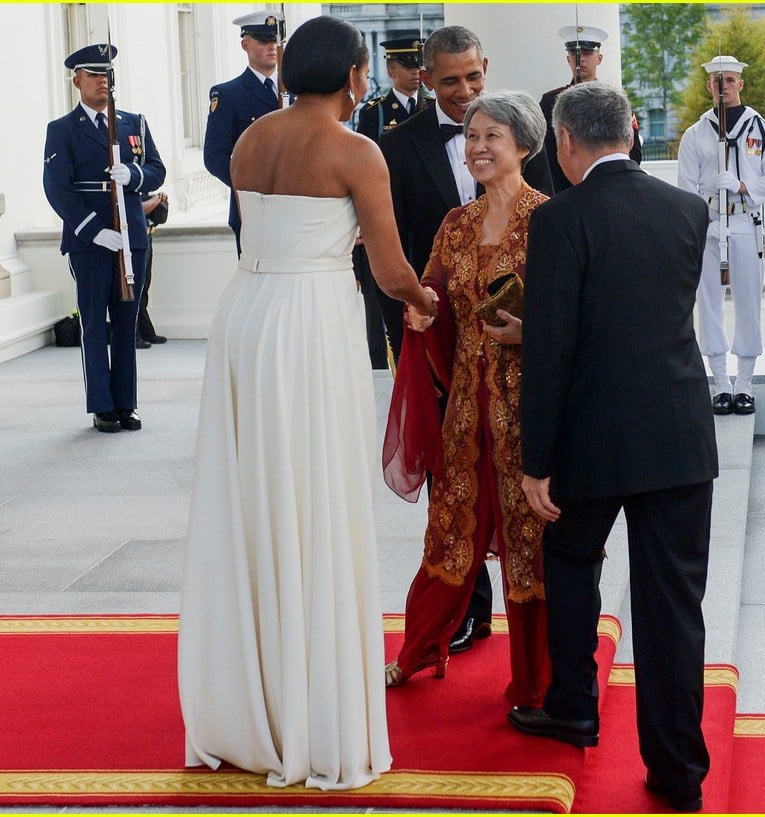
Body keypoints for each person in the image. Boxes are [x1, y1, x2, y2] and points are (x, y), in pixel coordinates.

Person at [177, 16, 437, 791]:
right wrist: (425, 301)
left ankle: (254, 705)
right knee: (313, 497)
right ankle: (314, 710)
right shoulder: (358, 150)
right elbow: (391, 271)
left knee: (252, 500)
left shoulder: (252, 136)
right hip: (310, 322)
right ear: (355, 76)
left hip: (246, 316)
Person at [513, 81, 717, 814]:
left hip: (590, 437)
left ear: (564, 142)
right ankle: (679, 770)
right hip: (676, 433)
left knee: (570, 564)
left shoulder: (560, 220)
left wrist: (536, 460)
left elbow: (551, 348)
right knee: (673, 605)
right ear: (633, 132)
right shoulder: (687, 209)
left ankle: (574, 705)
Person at [378, 24, 553, 654]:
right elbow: (401, 264)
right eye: (450, 82)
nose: (464, 93)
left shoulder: (545, 213)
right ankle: (440, 633)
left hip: (527, 395)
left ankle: (535, 667)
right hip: (454, 378)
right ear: (428, 79)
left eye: (473, 78)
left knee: (530, 529)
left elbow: (567, 293)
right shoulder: (406, 163)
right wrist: (415, 317)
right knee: (451, 516)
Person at [43, 44, 166, 434]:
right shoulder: (63, 130)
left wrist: (134, 175)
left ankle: (126, 403)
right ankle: (102, 405)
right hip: (91, 239)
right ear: (76, 81)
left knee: (127, 322)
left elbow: (156, 169)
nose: (102, 81)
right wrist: (93, 231)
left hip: (131, 235)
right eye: (93, 75)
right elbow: (57, 188)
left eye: (107, 75)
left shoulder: (133, 123)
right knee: (95, 322)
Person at [677, 55, 765, 416]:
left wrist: (742, 185)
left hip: (744, 221)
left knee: (748, 302)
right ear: (709, 86)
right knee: (709, 302)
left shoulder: (761, 129)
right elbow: (685, 187)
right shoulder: (697, 133)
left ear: (740, 84)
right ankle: (720, 381)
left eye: (728, 80)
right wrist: (701, 220)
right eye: (715, 81)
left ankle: (745, 382)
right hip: (709, 225)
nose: (721, 87)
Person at [353, 37, 430, 369]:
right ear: (391, 69)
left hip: (426, 212)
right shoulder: (376, 111)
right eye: (409, 66)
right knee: (381, 305)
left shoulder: (433, 106)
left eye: (419, 66)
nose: (416, 73)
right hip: (389, 213)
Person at [203, 11, 284, 252]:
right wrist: (251, 185)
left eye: (275, 41)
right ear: (245, 44)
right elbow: (215, 156)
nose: (271, 47)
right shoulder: (229, 94)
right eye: (263, 41)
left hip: (296, 205)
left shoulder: (298, 92)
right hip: (251, 208)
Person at [538, 24, 642, 195]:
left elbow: (633, 151)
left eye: (587, 53)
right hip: (564, 193)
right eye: (574, 54)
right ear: (568, 59)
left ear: (599, 58)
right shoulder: (550, 102)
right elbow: (545, 156)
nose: (581, 60)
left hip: (610, 191)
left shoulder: (614, 102)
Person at [136, 191, 169, 348]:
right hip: (136, 238)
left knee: (144, 288)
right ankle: (134, 335)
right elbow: (138, 208)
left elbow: (159, 217)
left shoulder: (147, 192)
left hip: (148, 236)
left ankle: (145, 331)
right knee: (135, 288)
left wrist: (160, 202)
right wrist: (157, 200)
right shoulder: (131, 187)